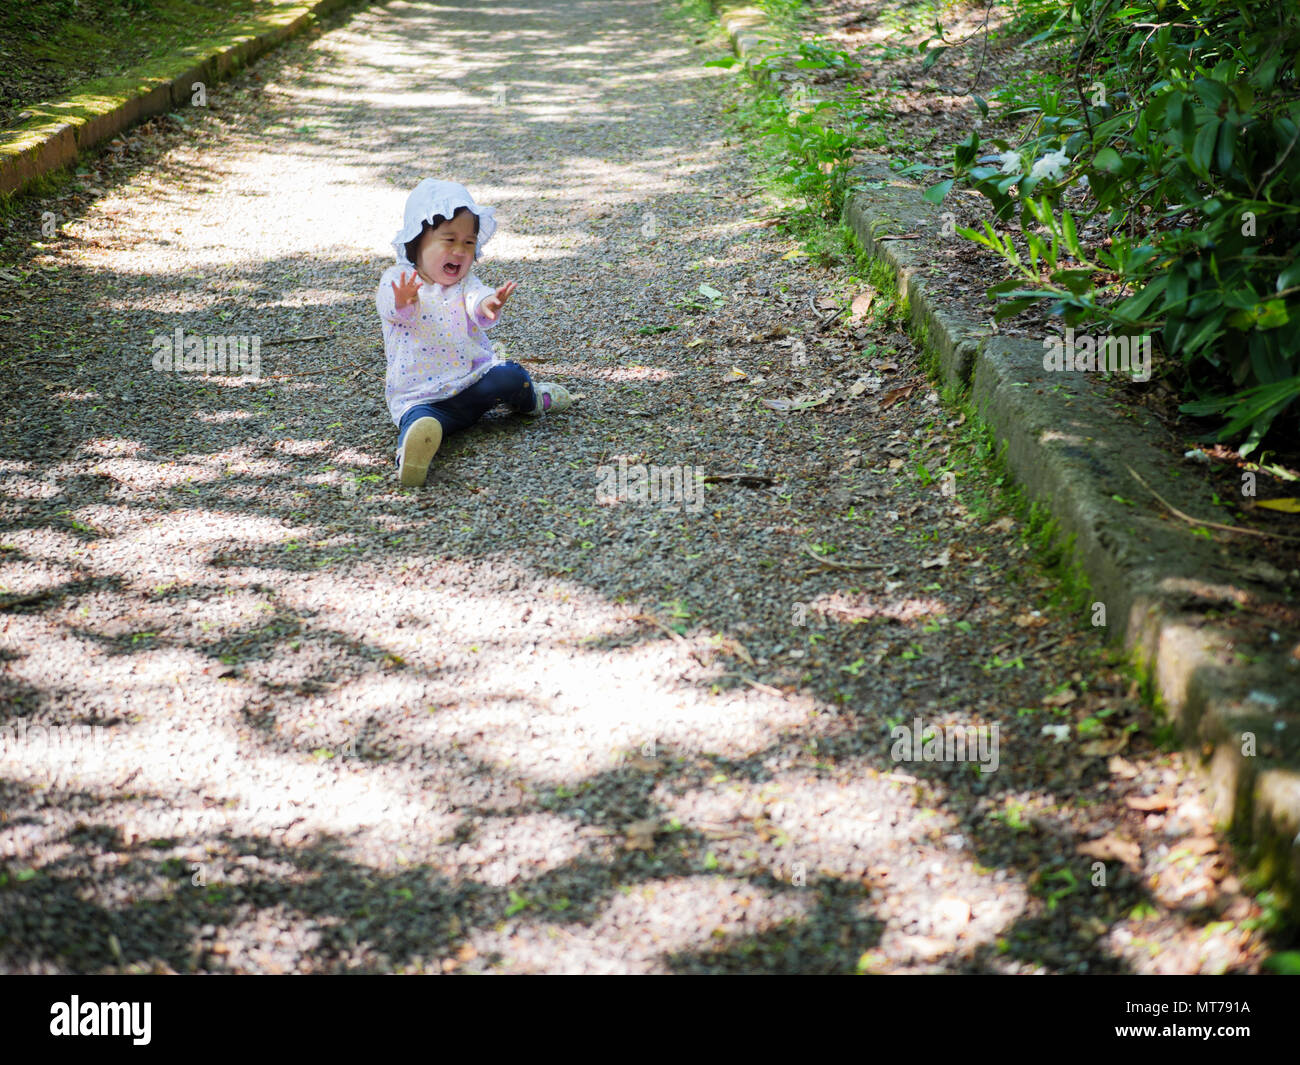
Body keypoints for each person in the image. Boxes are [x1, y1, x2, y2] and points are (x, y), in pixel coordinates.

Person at [376, 179, 572, 486]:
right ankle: (411, 452)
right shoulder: (399, 279)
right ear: (417, 242)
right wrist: (402, 301)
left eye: (469, 242)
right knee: (418, 421)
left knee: (511, 374)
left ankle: (532, 399)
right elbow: (391, 307)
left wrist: (488, 305)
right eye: (449, 239)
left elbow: (475, 300)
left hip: (472, 384)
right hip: (422, 398)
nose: (460, 250)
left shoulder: (465, 283)